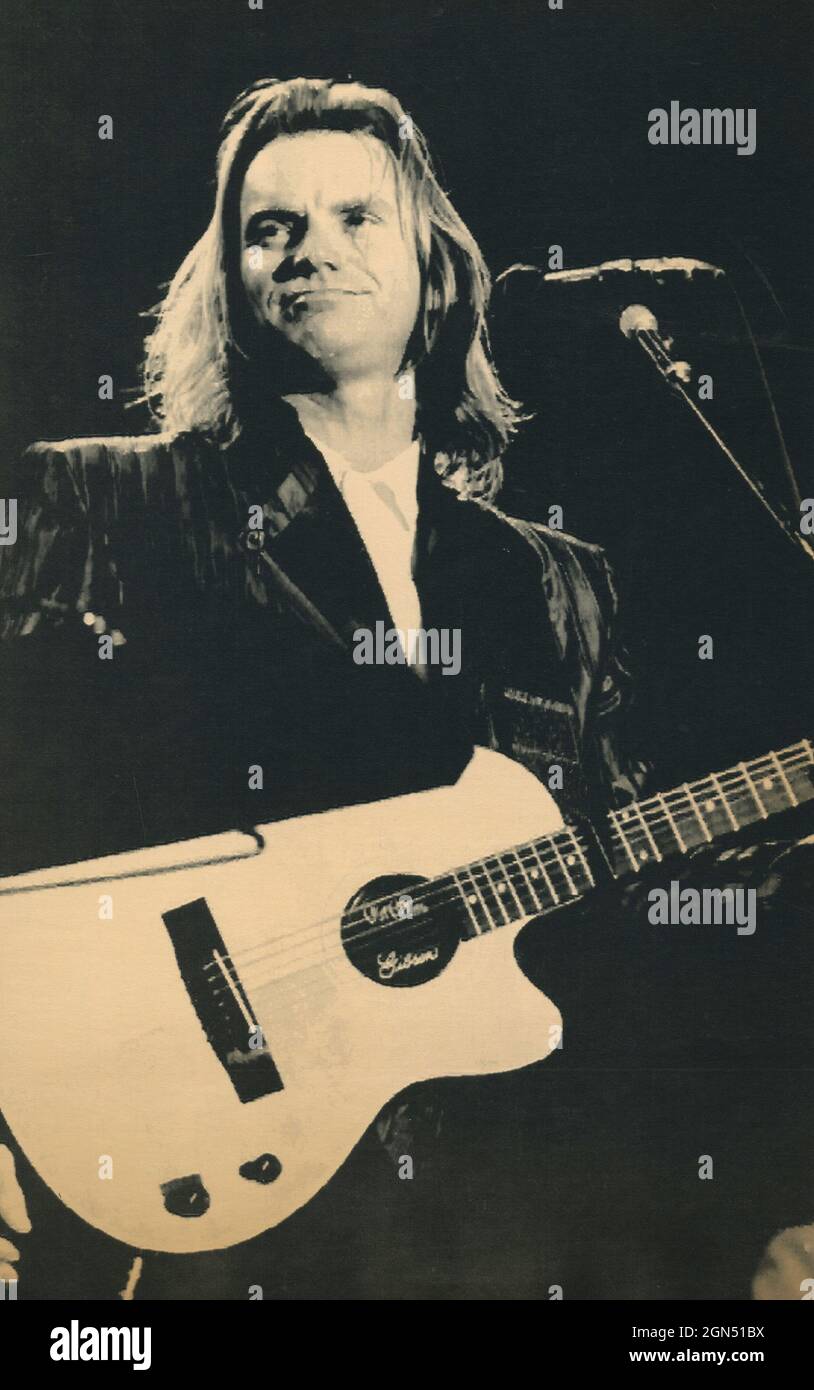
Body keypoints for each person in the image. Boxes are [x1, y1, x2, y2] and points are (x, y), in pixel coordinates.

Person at [1, 76, 807, 1300]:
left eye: (353, 218)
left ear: (437, 269)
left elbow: (612, 872)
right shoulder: (103, 499)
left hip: (483, 1215)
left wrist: (783, 811)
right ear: (228, 277)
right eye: (269, 227)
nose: (307, 251)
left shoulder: (558, 584)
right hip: (171, 1199)